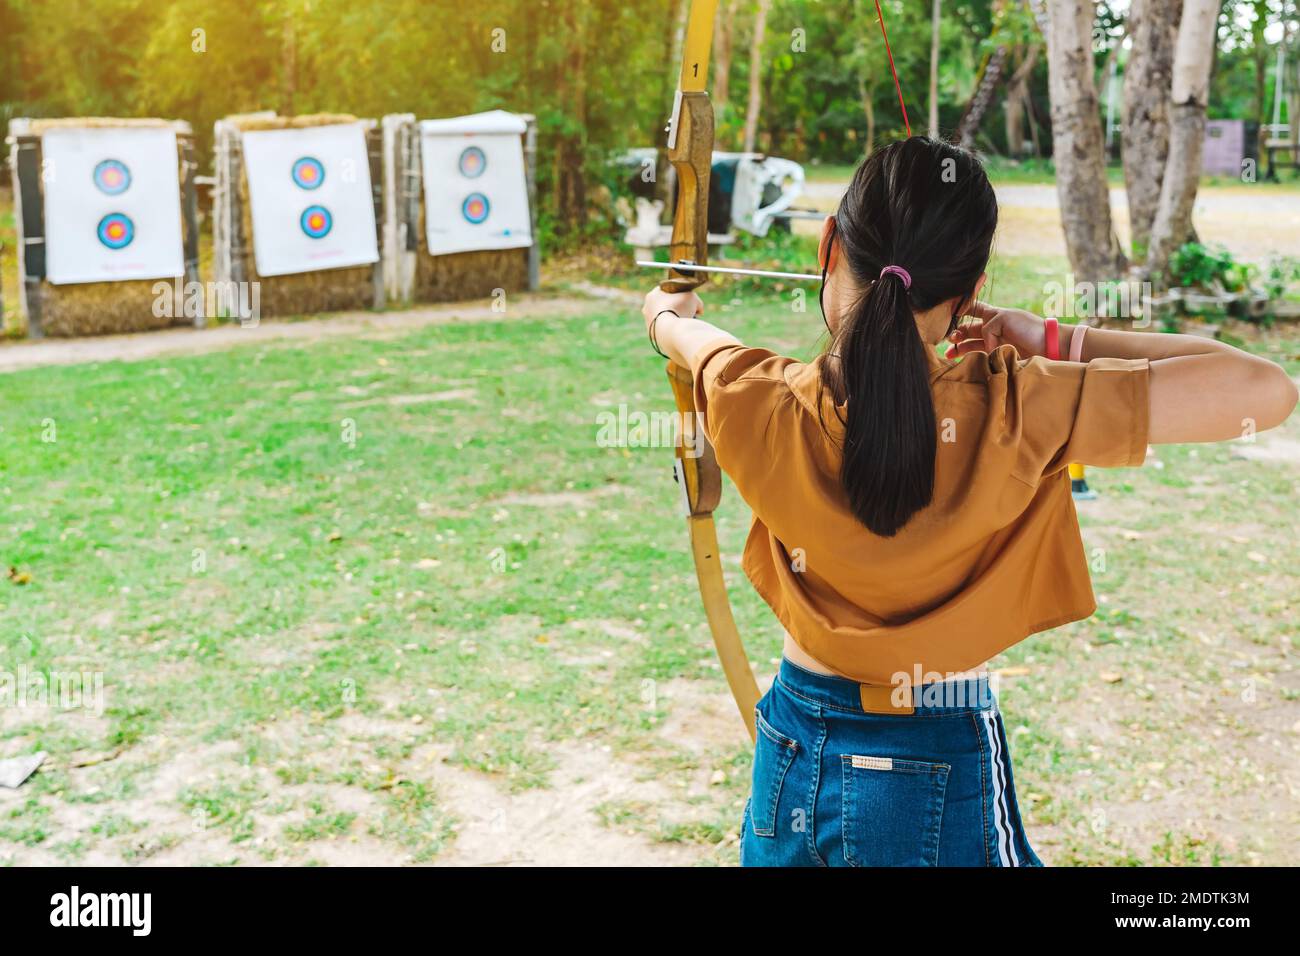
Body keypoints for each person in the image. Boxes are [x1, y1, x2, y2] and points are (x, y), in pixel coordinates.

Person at [641, 136, 1298, 867]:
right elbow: (1264, 389)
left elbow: (698, 341)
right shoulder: (1022, 404)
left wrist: (664, 316)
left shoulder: (761, 394)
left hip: (792, 747)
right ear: (970, 288)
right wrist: (1055, 337)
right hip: (934, 753)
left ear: (830, 244)